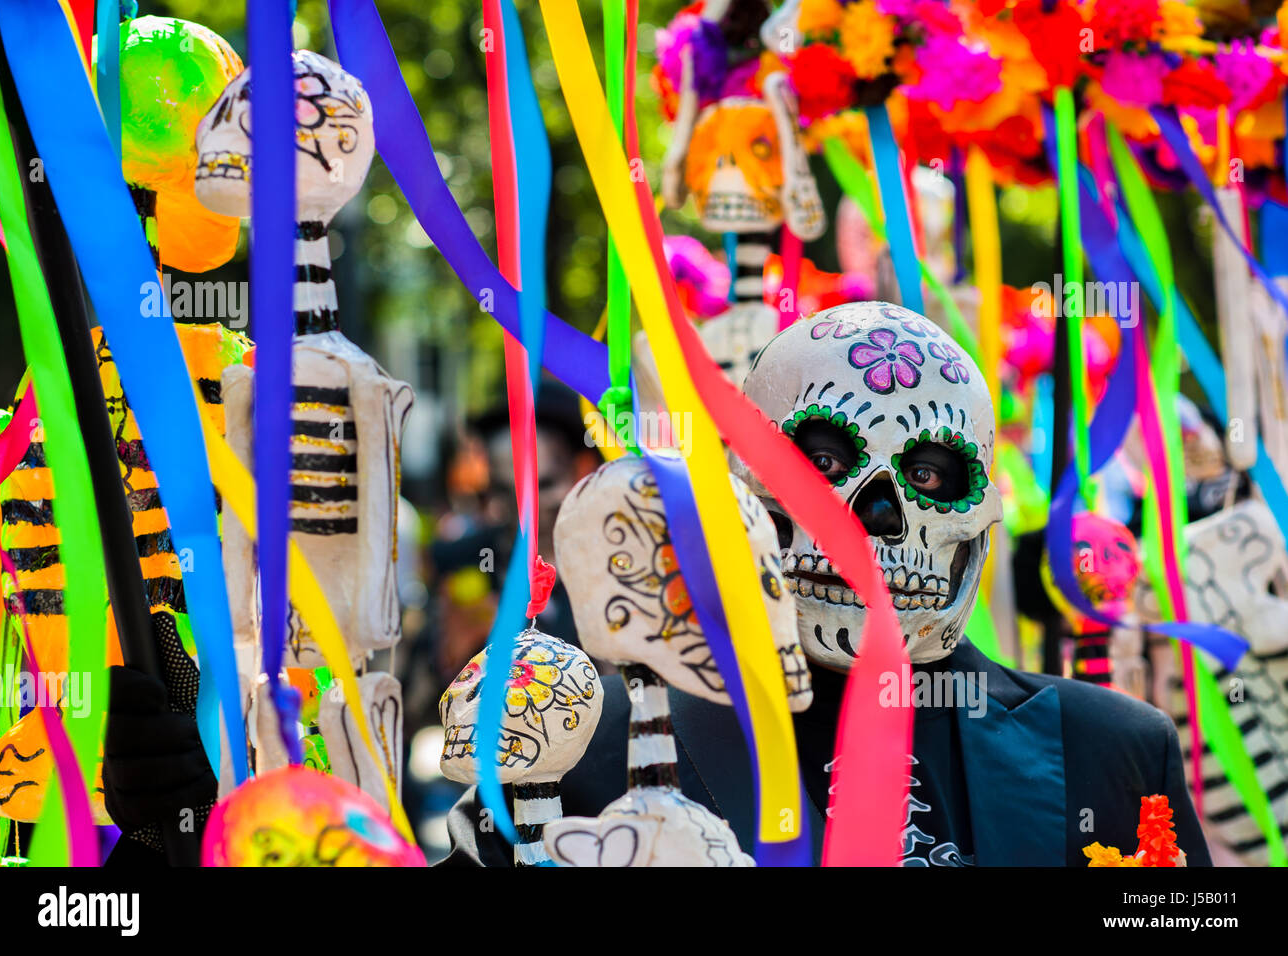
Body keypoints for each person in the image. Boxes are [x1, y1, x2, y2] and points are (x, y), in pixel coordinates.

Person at [440, 302, 1210, 866]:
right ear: (743, 485)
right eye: (824, 463)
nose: (875, 516)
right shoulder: (580, 748)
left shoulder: (1110, 750)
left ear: (981, 514)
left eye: (931, 476)